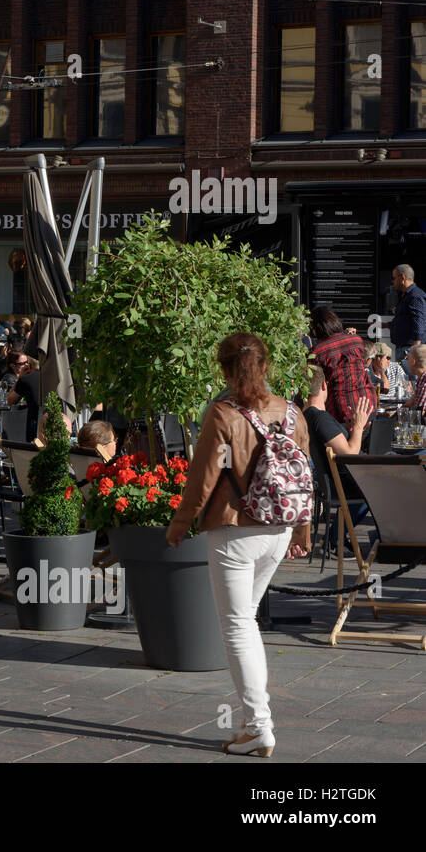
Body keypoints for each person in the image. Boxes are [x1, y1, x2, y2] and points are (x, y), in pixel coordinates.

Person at [167, 332, 311, 758]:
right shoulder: (293, 413)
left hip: (235, 528)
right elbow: (305, 478)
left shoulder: (222, 414)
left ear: (225, 370)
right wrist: (302, 531)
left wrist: (179, 525)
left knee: (238, 626)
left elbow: (202, 479)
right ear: (265, 366)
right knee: (245, 622)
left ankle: (258, 726)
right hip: (279, 529)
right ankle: (256, 724)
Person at [302, 365, 373, 552]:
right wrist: (358, 428)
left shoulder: (306, 416)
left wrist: (350, 432)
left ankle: (337, 538)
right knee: (384, 488)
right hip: (345, 485)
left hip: (333, 483)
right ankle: (335, 541)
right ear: (324, 386)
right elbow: (349, 454)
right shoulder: (320, 418)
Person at [308, 306, 376, 432]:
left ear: (316, 328)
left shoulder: (317, 352)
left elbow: (314, 384)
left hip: (341, 410)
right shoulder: (356, 340)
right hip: (367, 404)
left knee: (345, 450)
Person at [391, 264, 426, 365]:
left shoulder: (415, 296)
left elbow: (419, 322)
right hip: (404, 349)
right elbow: (405, 320)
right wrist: (386, 325)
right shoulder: (406, 296)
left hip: (409, 350)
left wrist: (414, 351)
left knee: (411, 380)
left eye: (394, 278)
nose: (392, 281)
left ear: (402, 277)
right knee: (405, 380)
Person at [6, 351, 41, 443]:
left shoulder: (26, 379)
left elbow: (10, 401)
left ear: (29, 365)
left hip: (34, 423)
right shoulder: (50, 376)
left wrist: (20, 378)